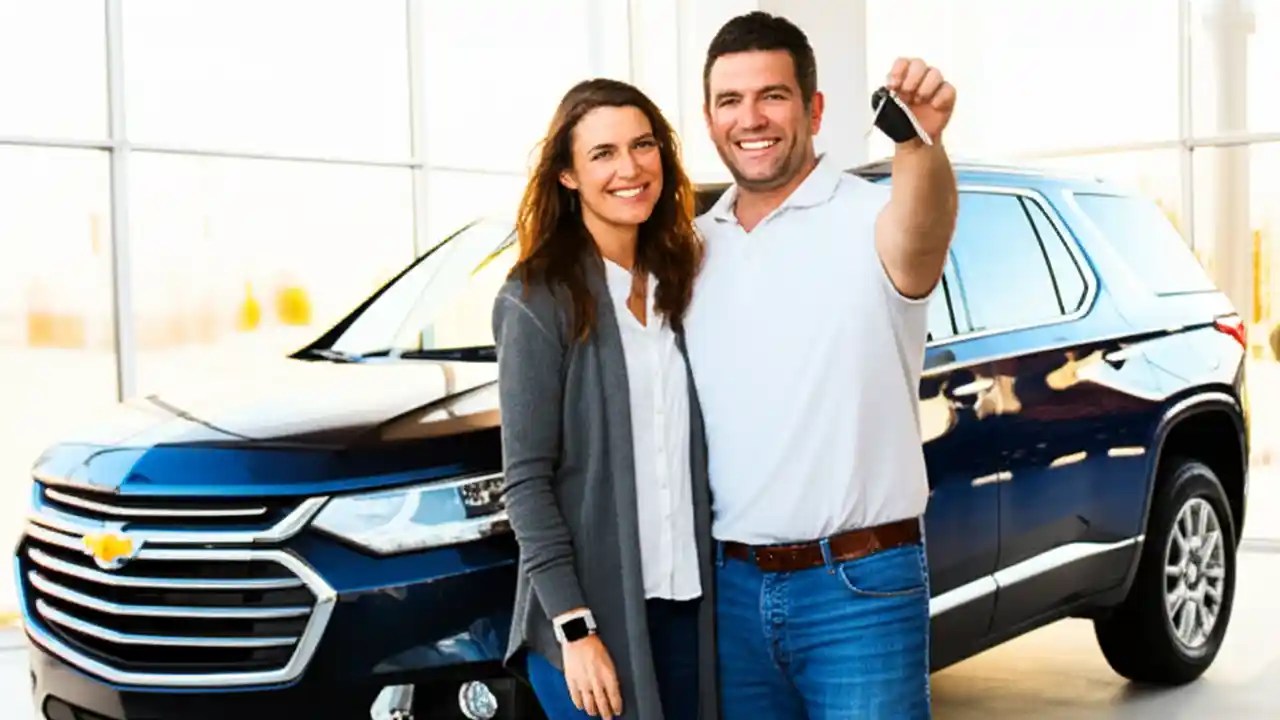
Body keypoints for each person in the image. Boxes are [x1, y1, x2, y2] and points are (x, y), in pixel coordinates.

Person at [683, 11, 958, 720]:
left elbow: (923, 233)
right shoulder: (689, 250)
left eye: (772, 95)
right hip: (731, 592)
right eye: (729, 101)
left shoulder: (871, 219)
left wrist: (920, 142)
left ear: (814, 109)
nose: (752, 118)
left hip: (858, 590)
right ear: (710, 120)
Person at [491, 77, 718, 720]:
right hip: (590, 620)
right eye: (603, 153)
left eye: (642, 145)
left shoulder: (681, 282)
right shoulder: (538, 298)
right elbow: (526, 481)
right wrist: (574, 629)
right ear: (567, 175)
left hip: (684, 606)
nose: (629, 168)